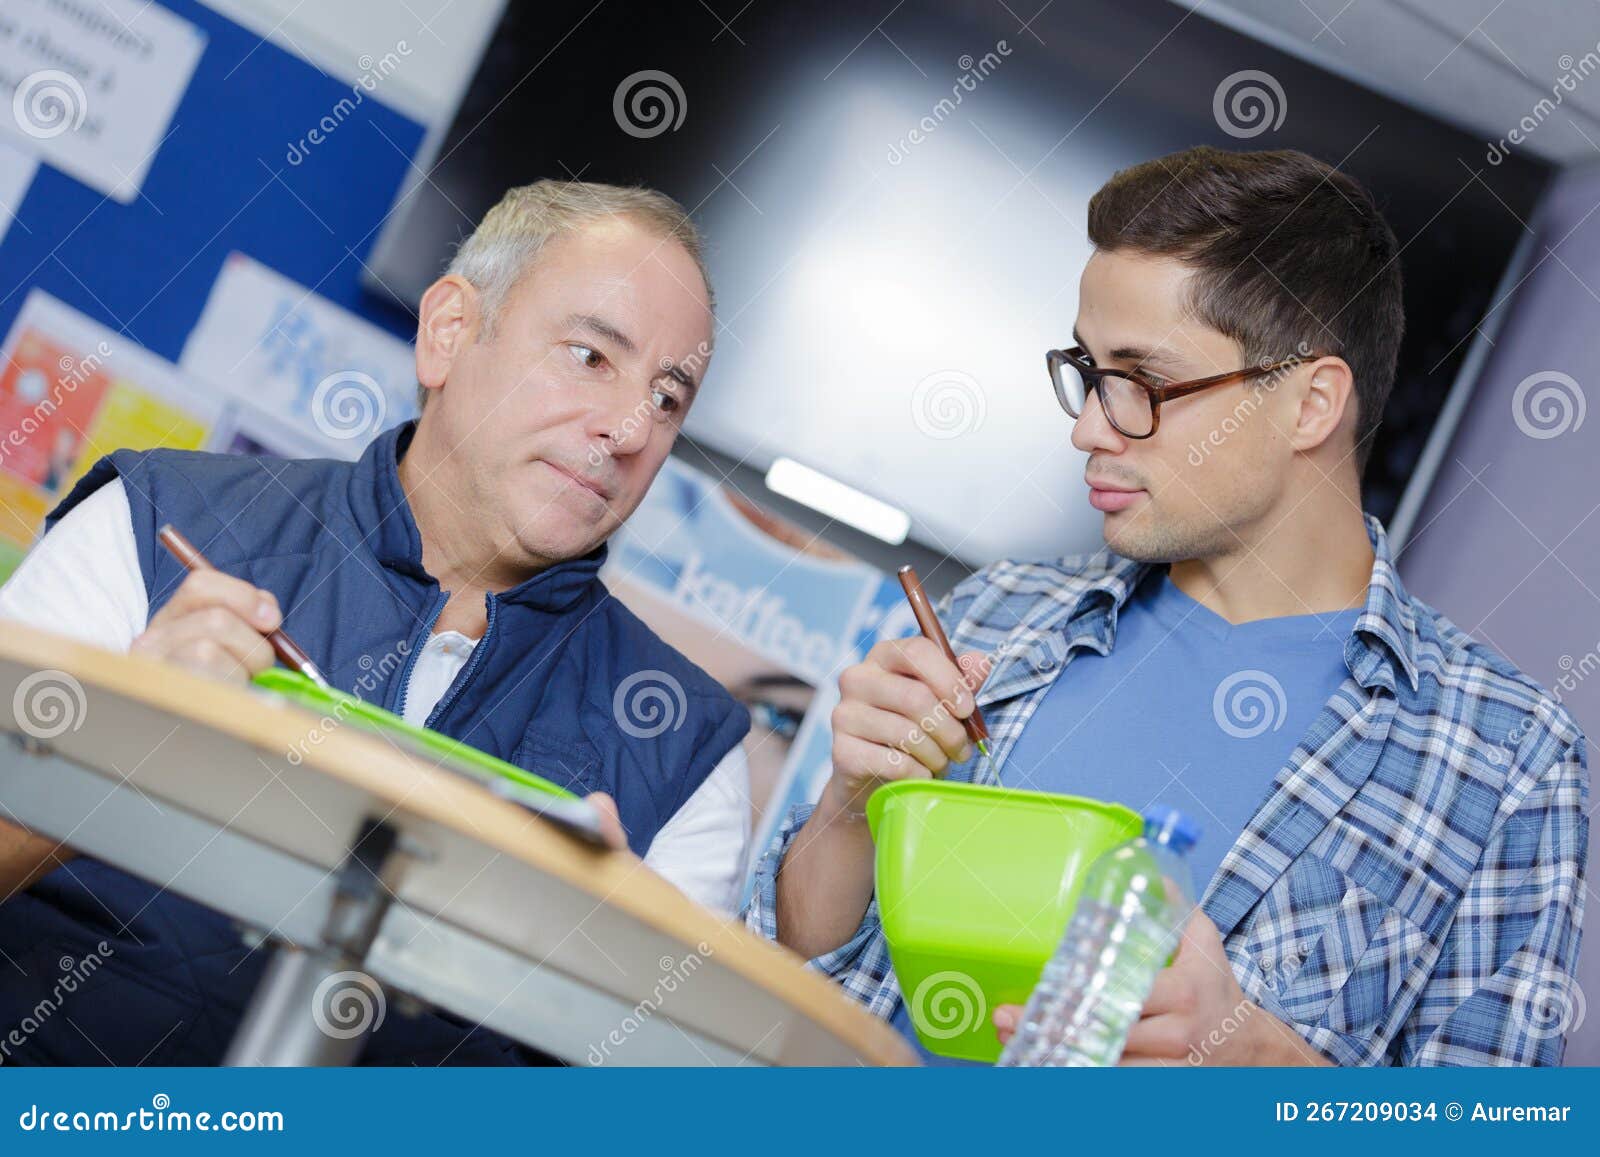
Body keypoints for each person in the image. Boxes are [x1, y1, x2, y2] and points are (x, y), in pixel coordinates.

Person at [749, 146, 1589, 1067]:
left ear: (1311, 405)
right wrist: (846, 808)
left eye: (1142, 383)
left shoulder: (1508, 757)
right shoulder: (995, 616)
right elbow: (783, 969)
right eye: (1087, 370)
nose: (1086, 427)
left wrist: (1248, 1058)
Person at [0, 180, 752, 1065]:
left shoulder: (691, 750)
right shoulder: (151, 522)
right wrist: (116, 743)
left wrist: (608, 984)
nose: (630, 428)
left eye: (668, 399)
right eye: (590, 355)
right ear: (448, 333)